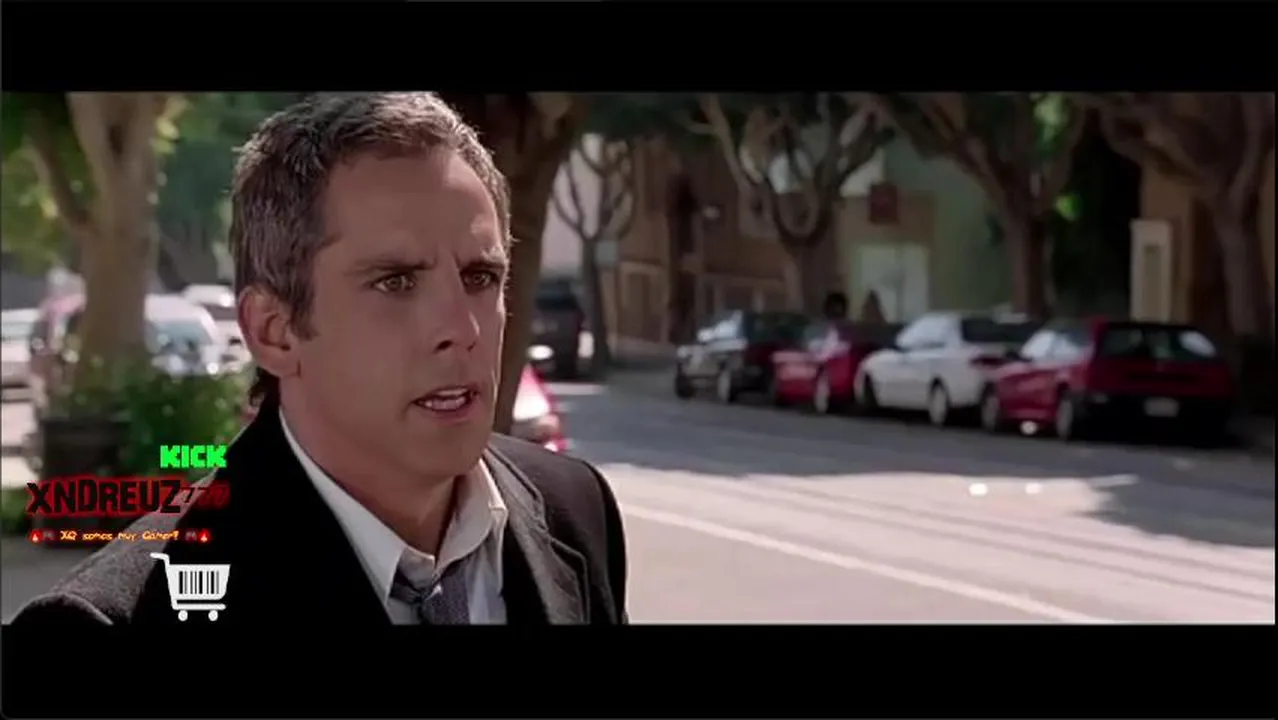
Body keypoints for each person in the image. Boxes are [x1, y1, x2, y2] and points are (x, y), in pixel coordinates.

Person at [11, 93, 629, 626]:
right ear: (274, 332)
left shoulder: (575, 511)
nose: (462, 329)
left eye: (479, 276)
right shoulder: (109, 620)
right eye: (396, 282)